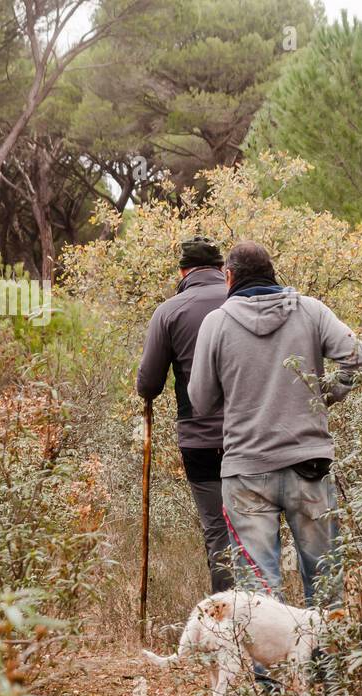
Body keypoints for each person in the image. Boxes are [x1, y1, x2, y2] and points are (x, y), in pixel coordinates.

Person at [187, 241, 362, 605]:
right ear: (272, 273)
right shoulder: (310, 310)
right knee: (325, 583)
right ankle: (323, 663)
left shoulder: (216, 323)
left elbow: (201, 401)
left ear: (229, 277)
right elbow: (361, 359)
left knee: (259, 593)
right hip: (310, 467)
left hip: (246, 473)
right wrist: (328, 394)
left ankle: (269, 665)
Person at [136, 236, 234, 595]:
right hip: (254, 436)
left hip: (201, 440)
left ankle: (227, 627)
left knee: (217, 533)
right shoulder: (241, 302)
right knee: (257, 530)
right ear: (223, 269)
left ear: (182, 271)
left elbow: (148, 386)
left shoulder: (170, 311)